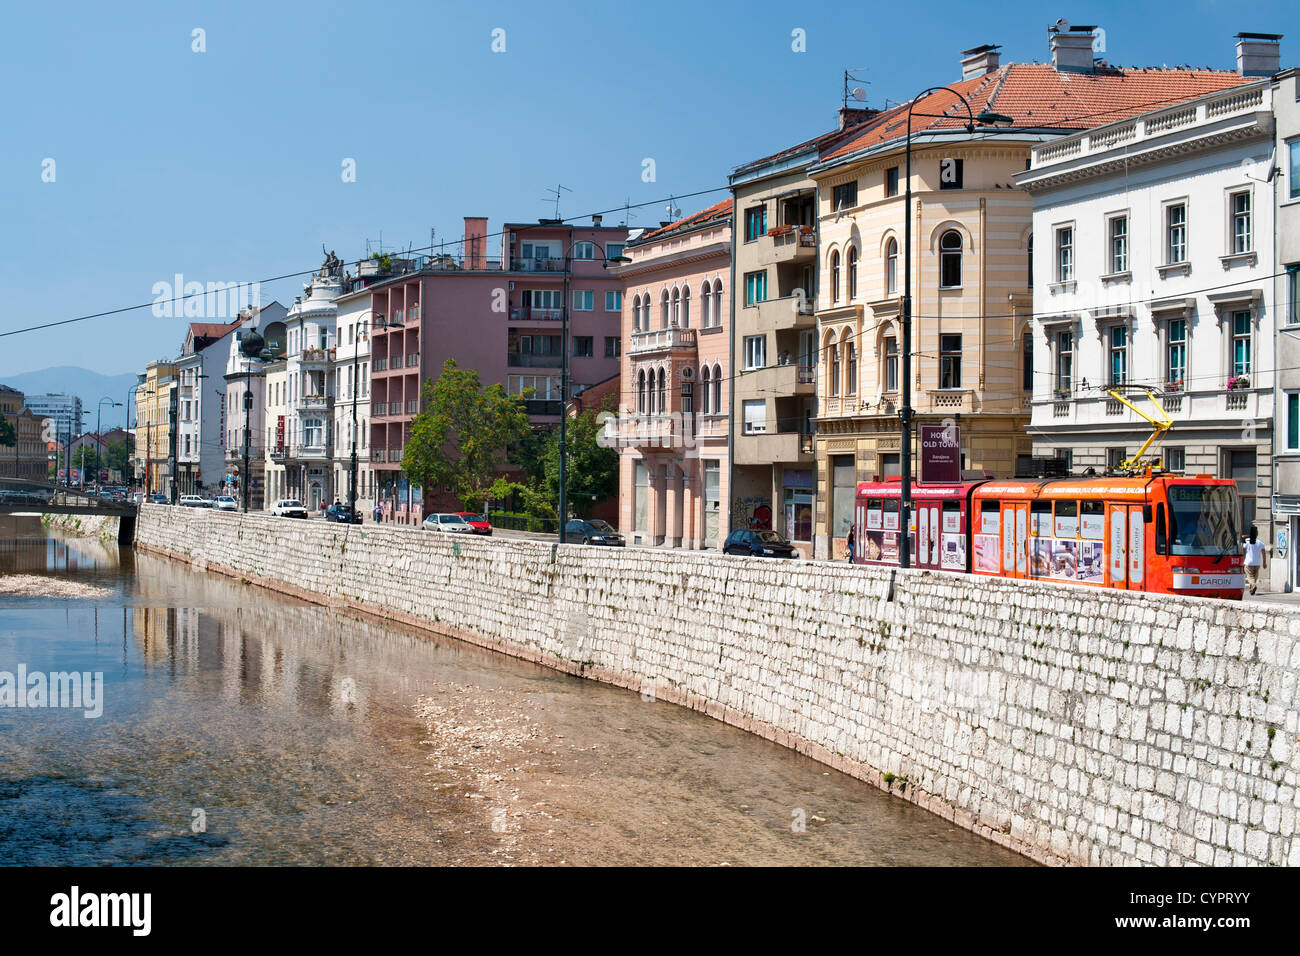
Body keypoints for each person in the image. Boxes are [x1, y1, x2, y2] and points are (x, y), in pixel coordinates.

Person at [1243, 526, 1267, 595]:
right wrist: (1264, 563)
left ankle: (1253, 586)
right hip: (1257, 563)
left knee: (1250, 577)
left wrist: (1243, 560)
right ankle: (1252, 590)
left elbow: (1243, 551)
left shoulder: (1247, 542)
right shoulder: (1260, 543)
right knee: (1254, 577)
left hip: (1248, 562)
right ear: (1257, 534)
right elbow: (1263, 554)